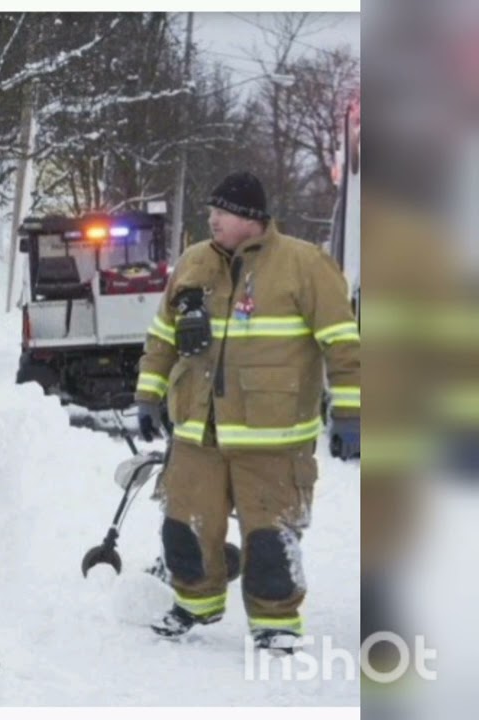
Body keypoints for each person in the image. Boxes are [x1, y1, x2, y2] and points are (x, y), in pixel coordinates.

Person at [132, 171, 360, 653]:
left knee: (270, 537)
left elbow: (343, 345)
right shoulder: (193, 262)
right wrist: (148, 395)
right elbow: (162, 337)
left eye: (222, 211)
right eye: (212, 211)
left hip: (273, 437)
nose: (211, 218)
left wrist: (351, 411)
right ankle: (194, 604)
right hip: (197, 431)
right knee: (185, 524)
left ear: (251, 218)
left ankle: (276, 623)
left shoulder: (305, 264)